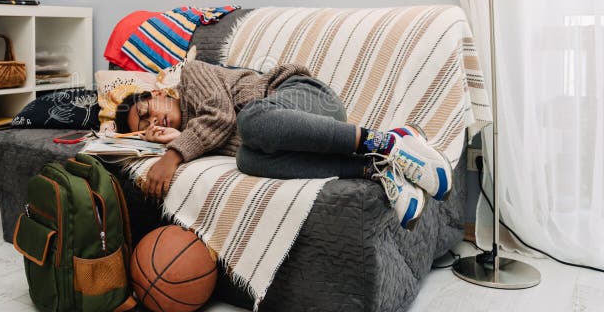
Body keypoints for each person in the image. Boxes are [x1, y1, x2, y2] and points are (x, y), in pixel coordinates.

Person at [114, 60, 453, 230]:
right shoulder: (193, 136)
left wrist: (173, 155)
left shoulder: (192, 76)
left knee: (252, 119)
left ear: (158, 94)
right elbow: (253, 143)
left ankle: (385, 141)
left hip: (303, 96)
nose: (154, 123)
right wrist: (184, 141)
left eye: (148, 111)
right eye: (145, 127)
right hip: (302, 134)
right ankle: (374, 167)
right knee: (248, 160)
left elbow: (222, 118)